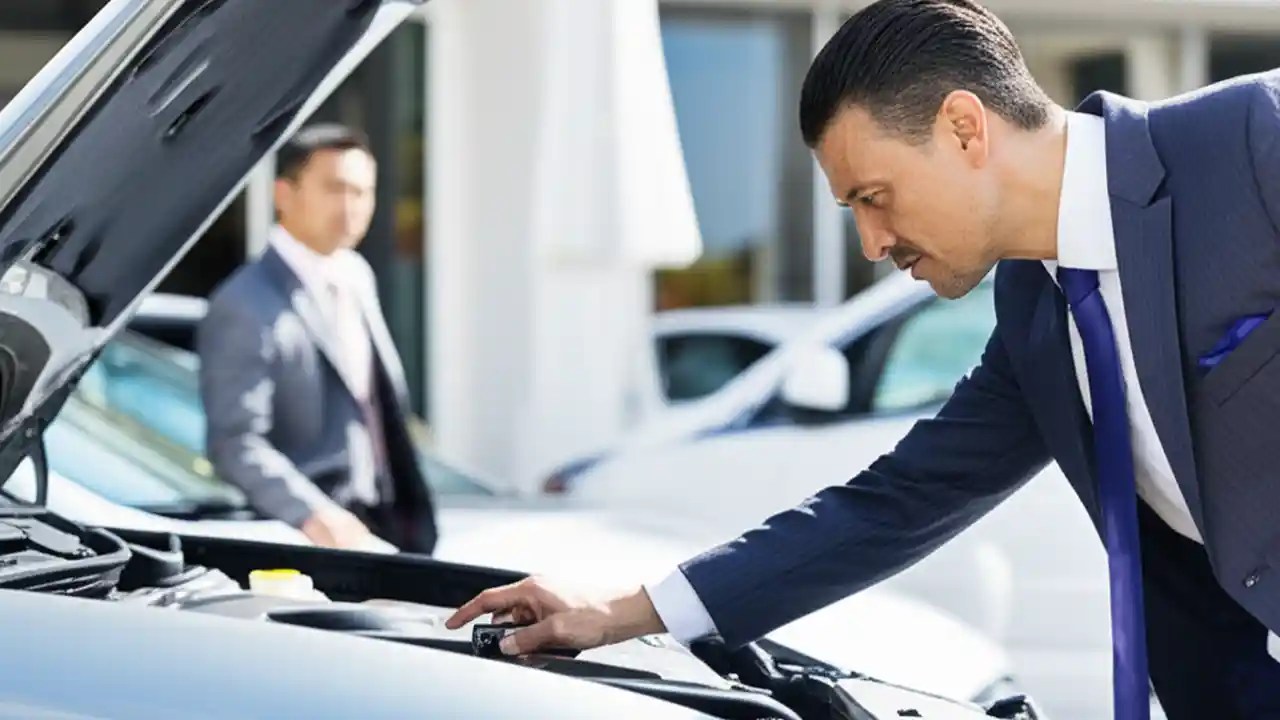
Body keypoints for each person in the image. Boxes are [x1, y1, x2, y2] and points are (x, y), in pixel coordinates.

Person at [446, 1, 1280, 717]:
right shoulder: (1038, 311)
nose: (873, 242)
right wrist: (627, 608)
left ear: (963, 128)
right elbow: (897, 503)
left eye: (874, 198)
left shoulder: (1254, 139)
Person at [198, 124, 437, 555]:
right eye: (335, 189)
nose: (350, 206)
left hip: (389, 527)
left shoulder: (356, 276)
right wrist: (314, 515)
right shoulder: (244, 302)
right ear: (284, 195)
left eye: (362, 192)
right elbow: (234, 442)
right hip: (311, 544)